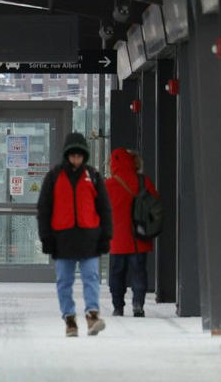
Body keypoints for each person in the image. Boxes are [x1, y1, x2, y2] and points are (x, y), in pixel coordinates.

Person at [37, 132, 113, 337]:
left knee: (92, 277)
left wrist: (106, 236)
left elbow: (104, 209)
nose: (76, 159)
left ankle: (92, 314)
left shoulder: (94, 177)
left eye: (80, 156)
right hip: (62, 239)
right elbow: (44, 210)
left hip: (89, 237)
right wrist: (46, 238)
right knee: (64, 280)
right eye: (73, 155)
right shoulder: (53, 177)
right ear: (67, 155)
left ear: (85, 156)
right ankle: (69, 318)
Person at [105, 148, 160, 317]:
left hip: (117, 240)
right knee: (139, 272)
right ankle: (138, 304)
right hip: (139, 237)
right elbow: (156, 203)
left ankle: (118, 306)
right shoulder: (144, 182)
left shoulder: (108, 185)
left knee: (117, 274)